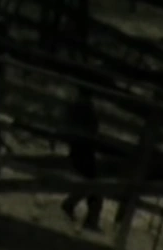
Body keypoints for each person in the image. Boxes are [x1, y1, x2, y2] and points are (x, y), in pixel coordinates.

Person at [61, 86, 103, 232]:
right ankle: (89, 219)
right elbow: (92, 131)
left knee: (90, 184)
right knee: (94, 185)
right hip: (83, 150)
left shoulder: (75, 108)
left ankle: (71, 205)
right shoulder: (86, 110)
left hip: (79, 149)